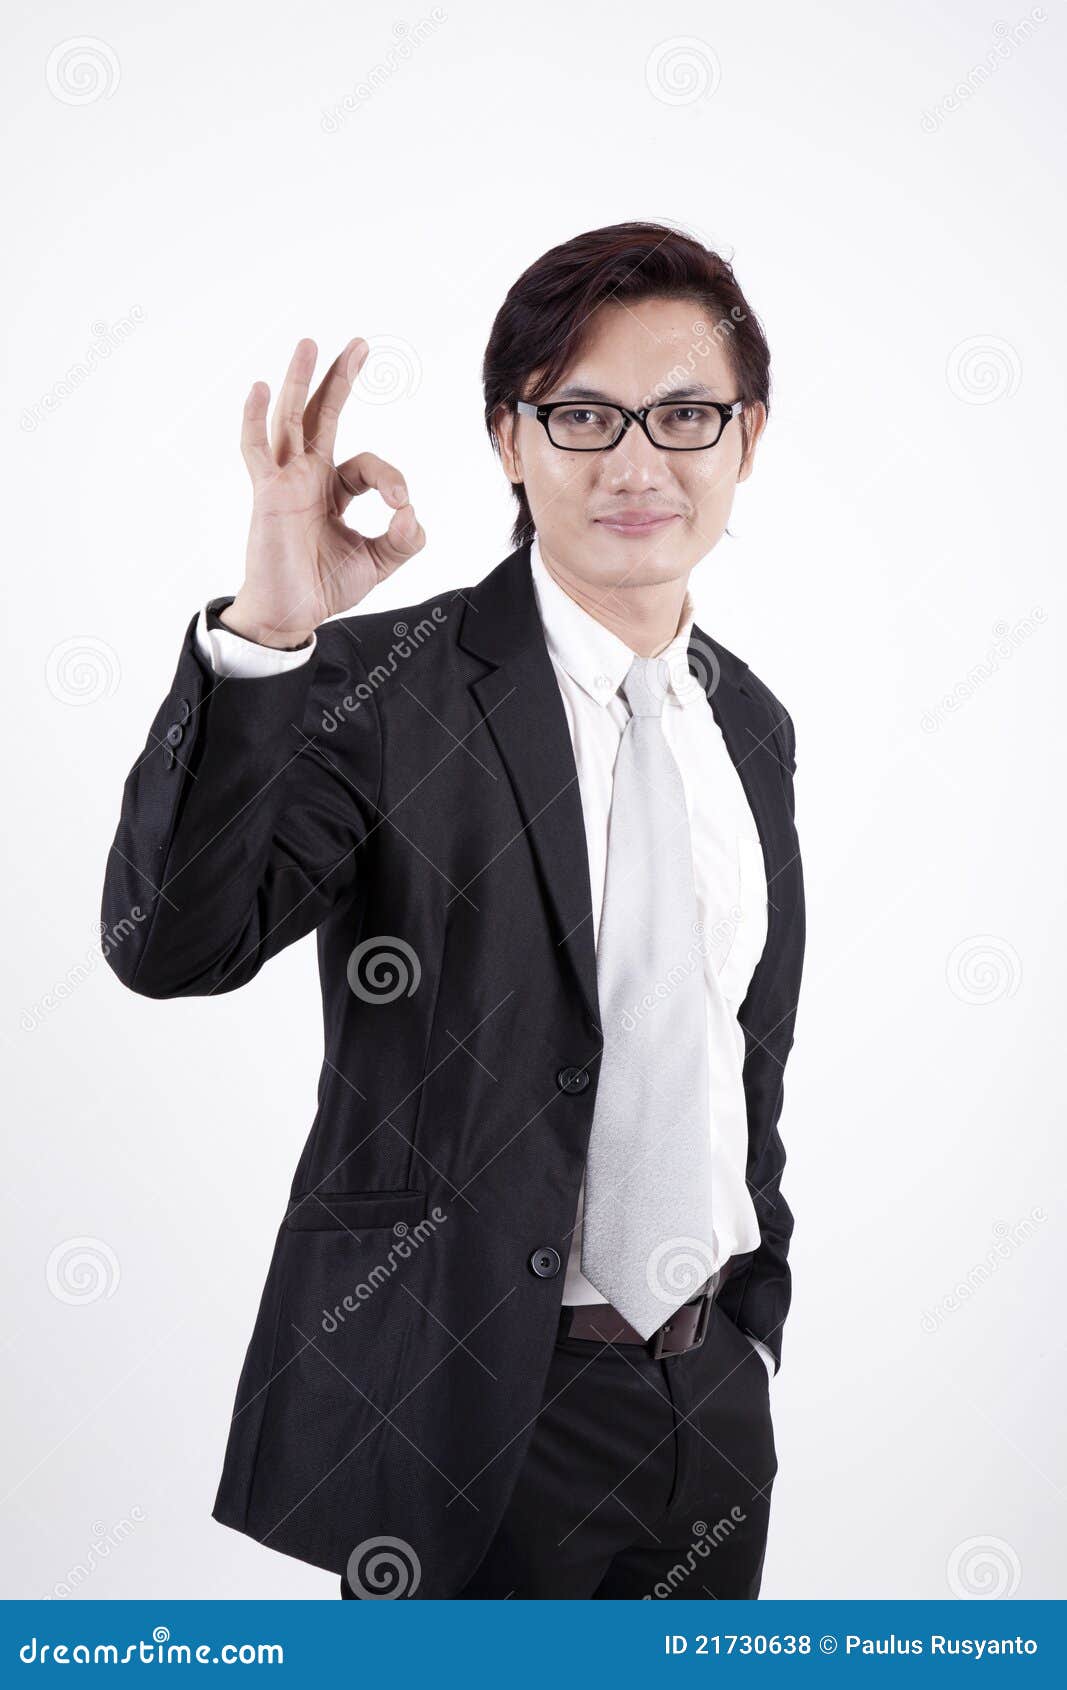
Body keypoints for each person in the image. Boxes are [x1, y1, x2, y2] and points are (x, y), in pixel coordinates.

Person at [101, 221, 805, 1600]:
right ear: (509, 437)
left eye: (685, 413)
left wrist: (753, 1323)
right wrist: (271, 638)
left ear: (748, 435)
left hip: (706, 1410)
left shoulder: (754, 725)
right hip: (464, 1403)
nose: (638, 461)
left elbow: (742, 1049)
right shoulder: (386, 688)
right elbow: (171, 944)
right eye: (584, 414)